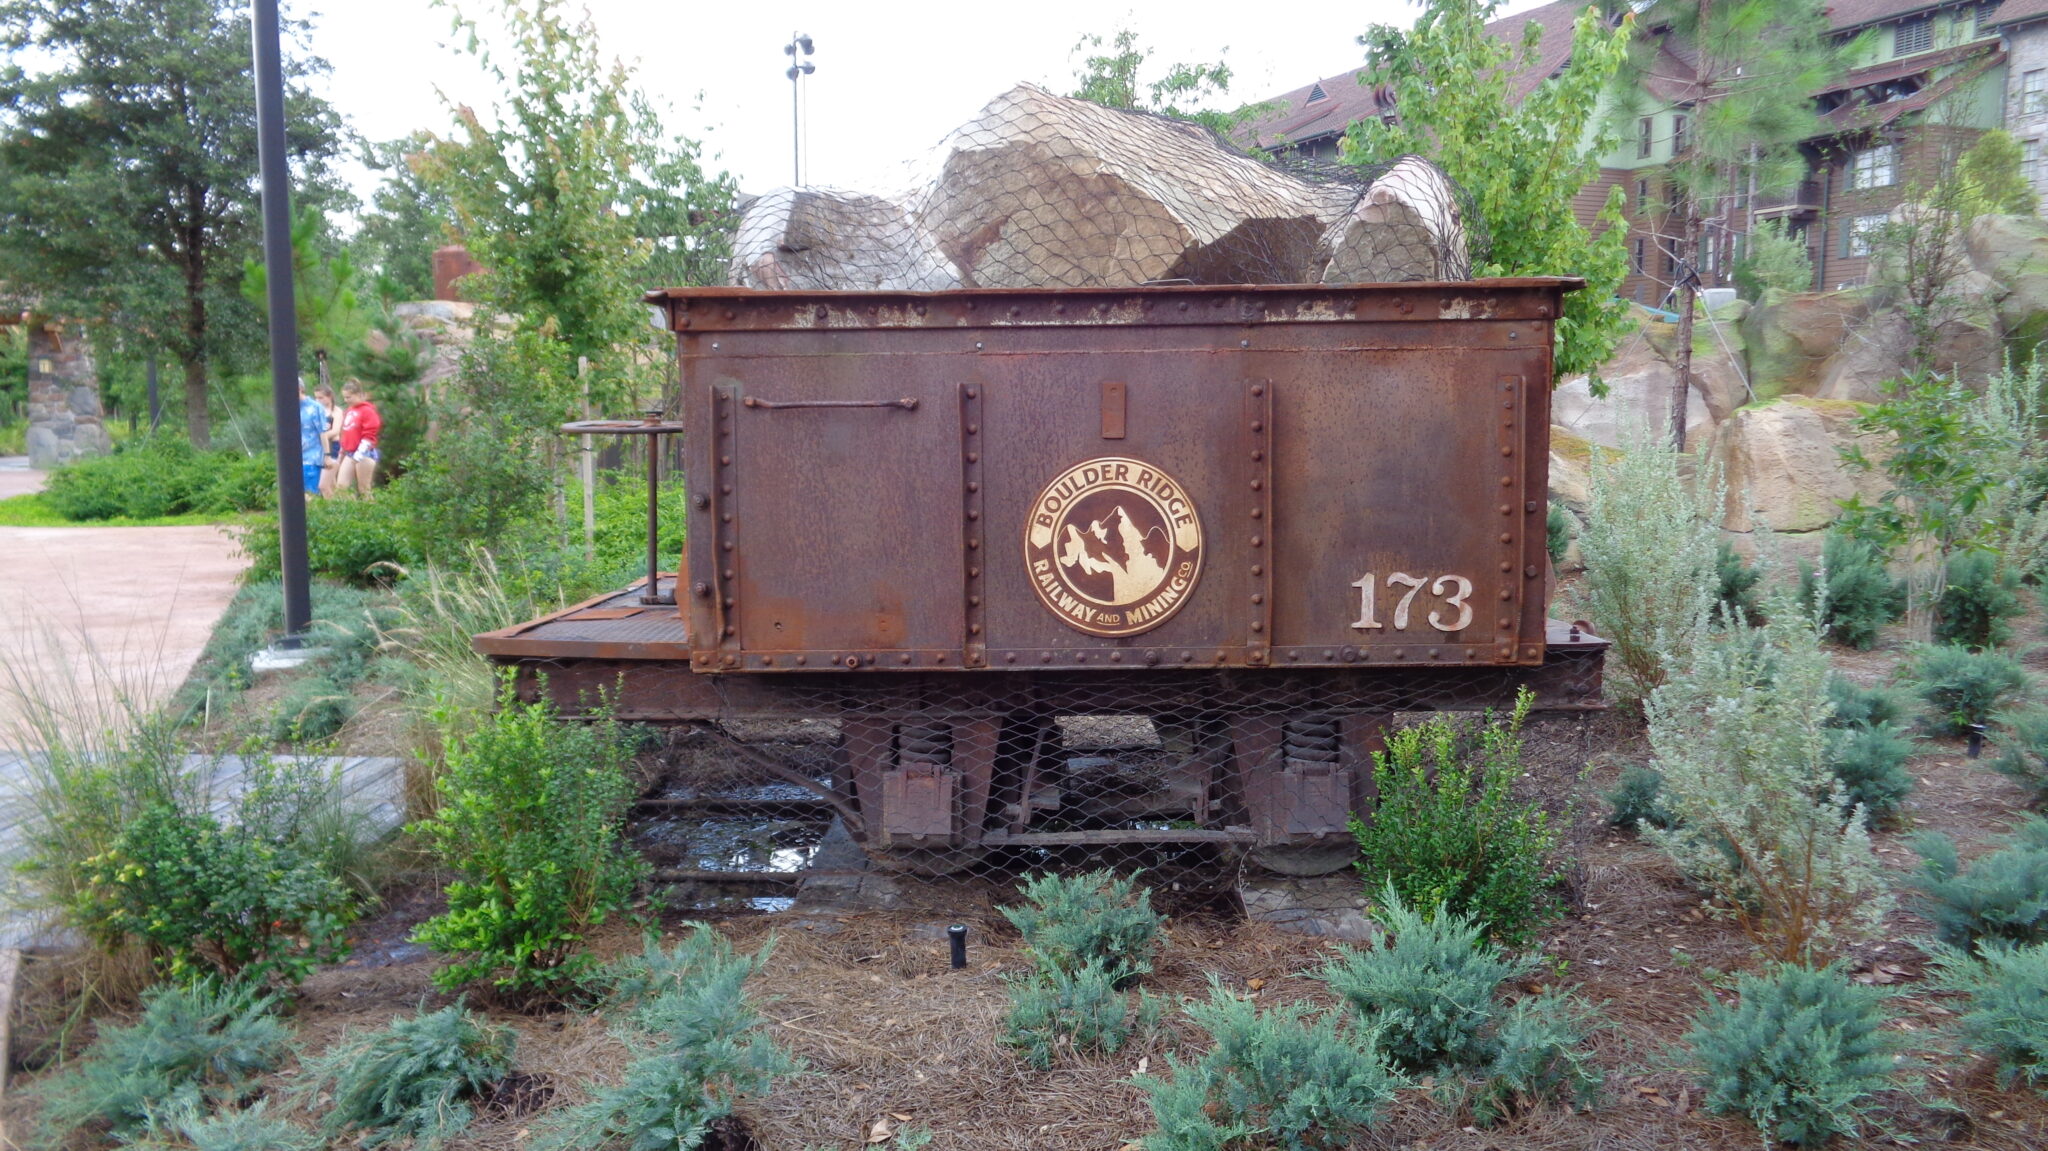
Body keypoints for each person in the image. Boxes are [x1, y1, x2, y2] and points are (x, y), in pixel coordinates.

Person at [336, 380, 383, 498]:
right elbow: (346, 432)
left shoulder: (368, 411)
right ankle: (349, 513)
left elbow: (370, 434)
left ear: (359, 395)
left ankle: (372, 514)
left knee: (364, 489)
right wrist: (342, 451)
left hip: (364, 453)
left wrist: (359, 454)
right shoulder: (349, 411)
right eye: (345, 397)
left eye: (349, 397)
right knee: (341, 486)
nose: (346, 400)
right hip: (350, 452)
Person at [296, 377, 327, 499]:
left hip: (311, 458)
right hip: (293, 460)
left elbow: (322, 433)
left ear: (300, 389)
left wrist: (327, 455)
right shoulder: (287, 408)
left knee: (310, 495)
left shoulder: (315, 407)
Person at [314, 382, 342, 497]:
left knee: (324, 485)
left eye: (321, 397)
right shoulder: (316, 411)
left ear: (329, 396)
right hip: (319, 448)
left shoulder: (336, 411)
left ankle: (332, 510)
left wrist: (321, 437)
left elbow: (335, 431)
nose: (318, 400)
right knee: (331, 484)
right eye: (316, 398)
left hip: (332, 446)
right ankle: (343, 506)